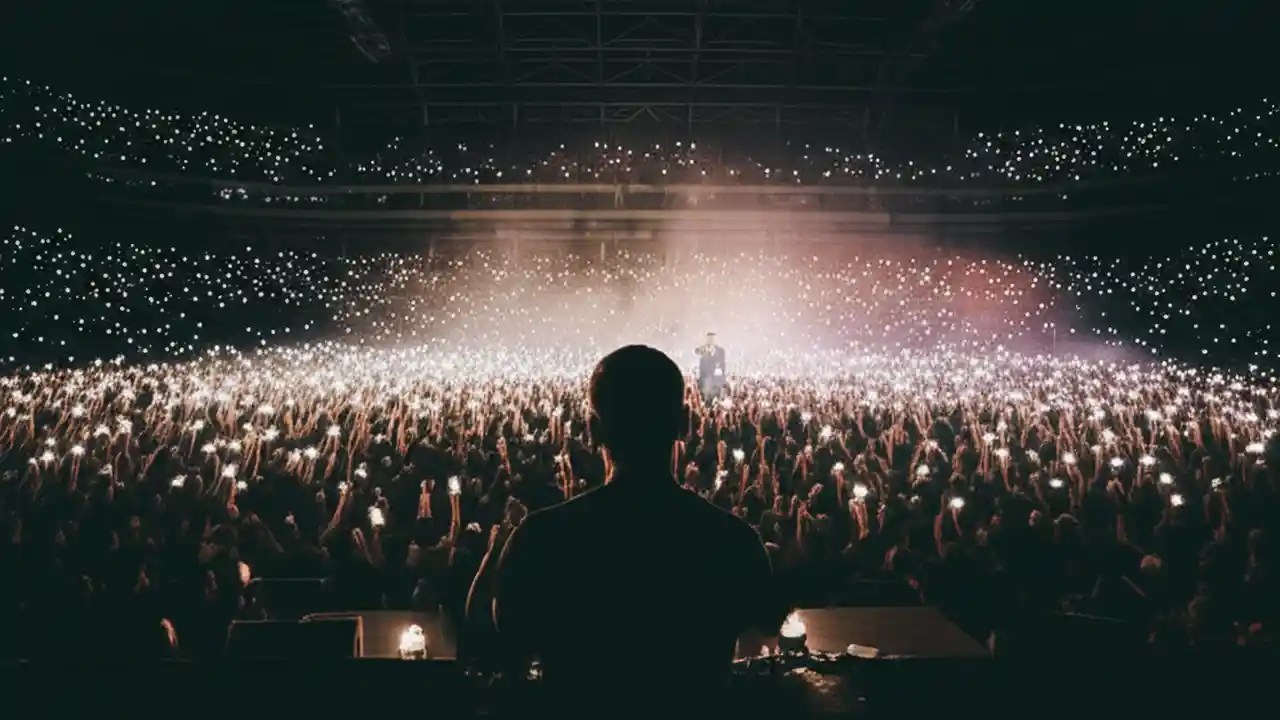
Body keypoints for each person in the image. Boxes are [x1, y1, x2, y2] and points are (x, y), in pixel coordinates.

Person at [493, 345, 779, 719]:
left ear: (593, 429)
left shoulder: (540, 539)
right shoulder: (734, 542)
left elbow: (505, 645)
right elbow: (764, 639)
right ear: (685, 424)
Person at [694, 332, 726, 401]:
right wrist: (705, 350)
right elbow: (696, 351)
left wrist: (721, 373)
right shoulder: (703, 348)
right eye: (709, 338)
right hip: (705, 376)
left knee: (716, 396)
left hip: (716, 378)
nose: (711, 340)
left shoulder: (720, 350)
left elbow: (722, 364)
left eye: (712, 338)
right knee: (705, 394)